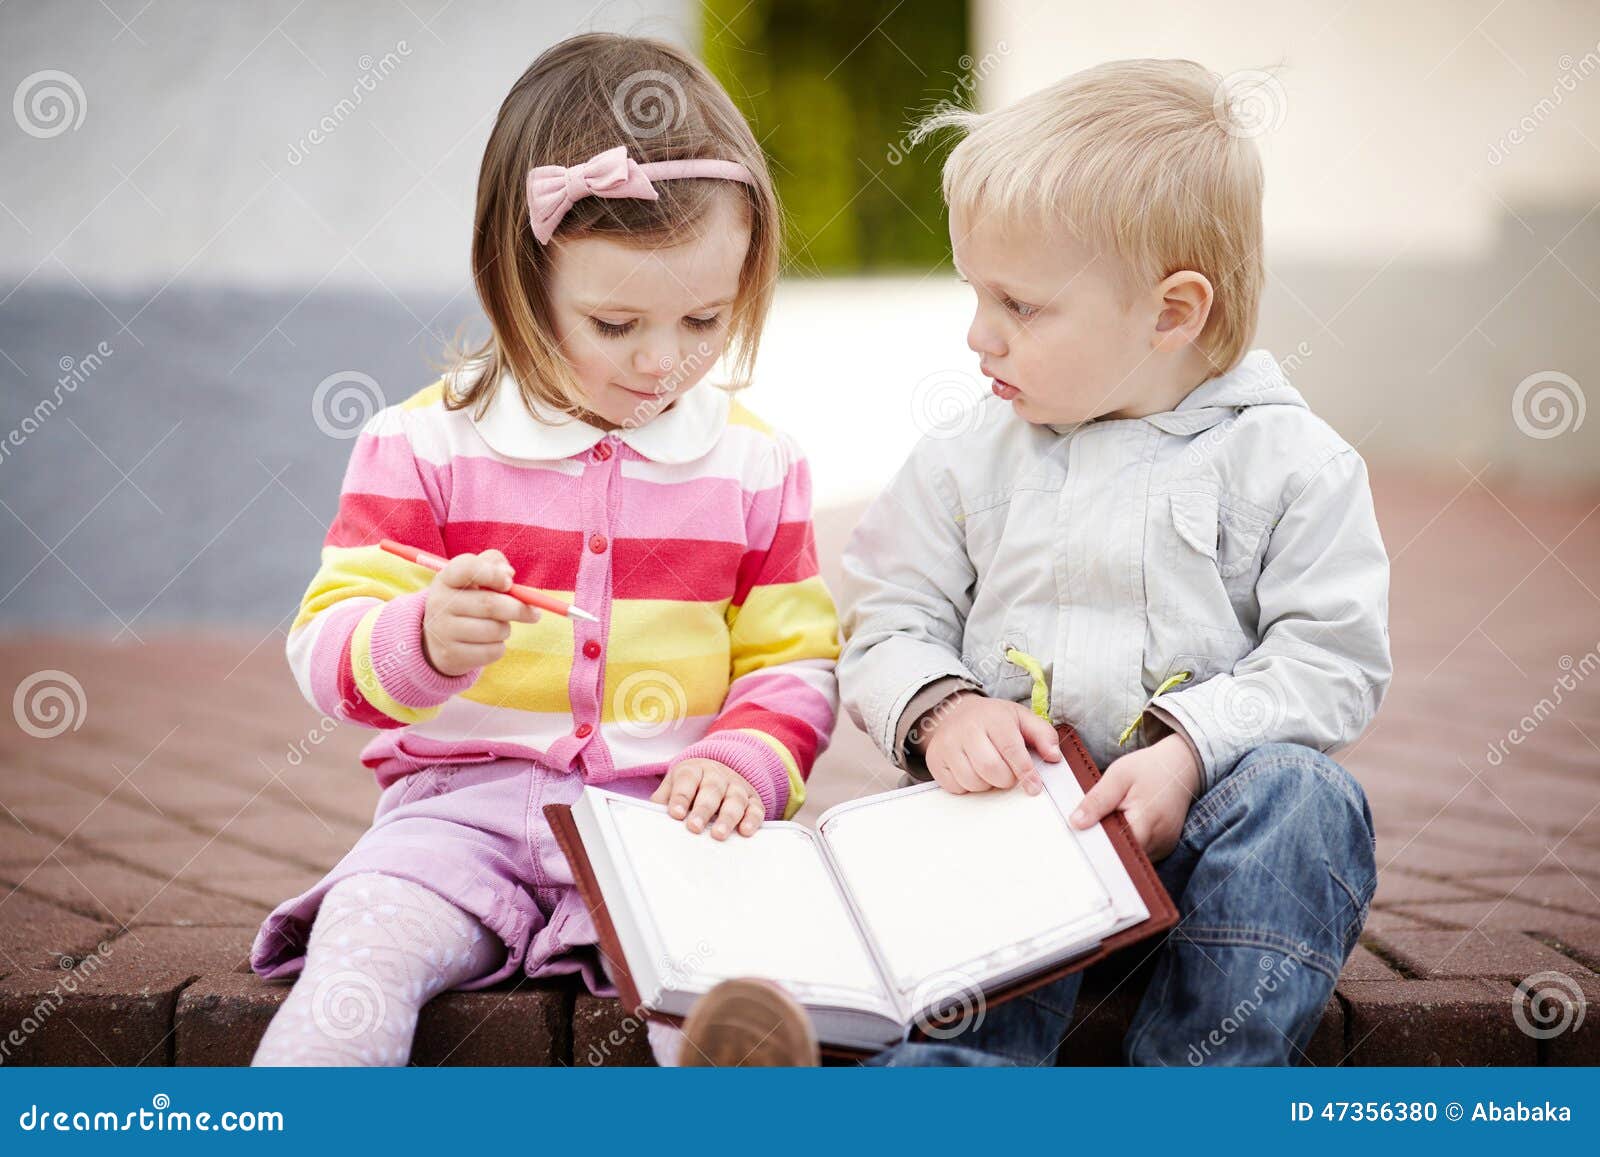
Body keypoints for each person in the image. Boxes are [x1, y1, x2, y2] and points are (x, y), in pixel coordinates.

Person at [249, 32, 838, 1067]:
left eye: (705, 317)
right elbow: (323, 650)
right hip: (450, 824)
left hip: (662, 831)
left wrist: (743, 757)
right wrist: (416, 636)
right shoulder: (420, 446)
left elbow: (792, 660)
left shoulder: (752, 467)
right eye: (614, 323)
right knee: (359, 961)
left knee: (727, 985)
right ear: (518, 285)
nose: (664, 362)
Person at [835, 58, 1392, 1066]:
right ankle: (964, 1074)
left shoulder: (1291, 462)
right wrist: (944, 708)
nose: (977, 334)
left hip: (1203, 852)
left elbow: (1332, 657)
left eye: (1020, 305)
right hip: (1018, 850)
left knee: (1308, 798)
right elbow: (886, 612)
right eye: (975, 294)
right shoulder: (968, 457)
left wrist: (1186, 751)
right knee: (961, 822)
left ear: (1170, 313)